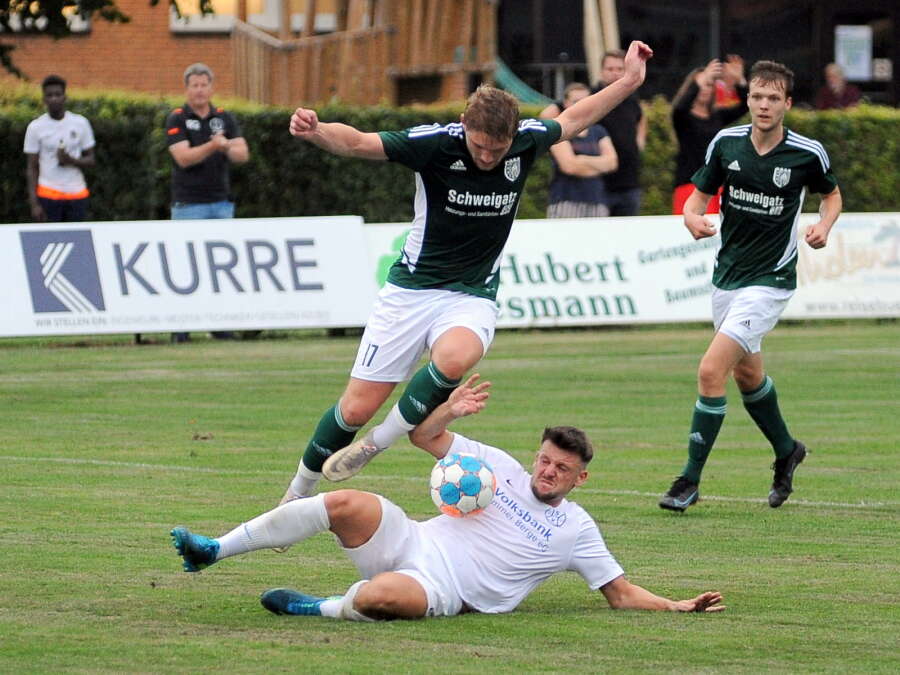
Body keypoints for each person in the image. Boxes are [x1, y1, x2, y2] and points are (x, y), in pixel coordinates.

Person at [277, 40, 654, 506]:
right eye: (480, 147)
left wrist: (629, 80)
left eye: (498, 149)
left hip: (471, 293)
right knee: (354, 408)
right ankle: (297, 492)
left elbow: (577, 117)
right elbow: (357, 142)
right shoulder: (434, 144)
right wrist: (315, 131)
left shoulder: (527, 139)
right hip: (410, 290)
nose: (489, 157)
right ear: (464, 127)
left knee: (455, 359)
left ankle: (376, 444)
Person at [171, 375, 726, 621]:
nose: (549, 471)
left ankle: (313, 607)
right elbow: (423, 437)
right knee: (346, 503)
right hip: (414, 537)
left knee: (379, 598)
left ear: (579, 480)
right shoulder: (500, 468)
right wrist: (450, 412)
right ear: (537, 456)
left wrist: (678, 605)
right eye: (546, 460)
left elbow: (621, 594)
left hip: (444, 588)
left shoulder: (577, 532)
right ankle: (212, 549)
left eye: (563, 469)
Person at [659, 60, 842, 513]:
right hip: (728, 277)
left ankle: (689, 481)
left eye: (773, 98)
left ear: (787, 104)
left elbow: (831, 194)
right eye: (757, 96)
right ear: (748, 99)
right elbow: (701, 192)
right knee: (747, 374)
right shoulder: (726, 144)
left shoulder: (806, 153)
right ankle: (787, 451)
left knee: (709, 371)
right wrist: (691, 216)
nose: (764, 105)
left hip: (771, 281)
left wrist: (824, 224)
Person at [165, 63, 249, 343]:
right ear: (187, 89)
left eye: (204, 85)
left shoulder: (224, 118)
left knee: (220, 268)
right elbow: (183, 158)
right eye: (194, 85)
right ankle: (182, 327)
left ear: (212, 88)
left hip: (221, 203)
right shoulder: (176, 118)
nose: (199, 90)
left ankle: (220, 325)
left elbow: (242, 154)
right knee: (186, 266)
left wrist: (224, 145)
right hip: (189, 204)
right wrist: (215, 146)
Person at [541, 50, 646, 216]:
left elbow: (641, 119)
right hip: (599, 186)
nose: (615, 73)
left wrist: (639, 142)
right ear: (601, 71)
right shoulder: (592, 95)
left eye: (620, 69)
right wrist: (551, 141)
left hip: (628, 183)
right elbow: (549, 114)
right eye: (610, 69)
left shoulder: (631, 99)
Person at [671, 56, 748, 215]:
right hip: (689, 184)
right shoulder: (683, 117)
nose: (705, 89)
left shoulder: (717, 116)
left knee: (715, 232)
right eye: (702, 85)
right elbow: (679, 108)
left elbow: (745, 106)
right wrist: (703, 77)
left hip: (715, 186)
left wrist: (740, 80)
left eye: (709, 85)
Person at [23, 75, 96, 223]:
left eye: (58, 94)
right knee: (50, 240)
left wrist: (71, 160)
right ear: (44, 99)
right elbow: (32, 167)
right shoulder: (35, 127)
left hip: (76, 193)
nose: (54, 99)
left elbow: (91, 160)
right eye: (49, 95)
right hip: (49, 194)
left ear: (65, 97)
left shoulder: (80, 123)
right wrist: (34, 203)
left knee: (76, 240)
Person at [546, 82, 618, 218]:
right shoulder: (558, 131)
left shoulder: (599, 131)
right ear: (566, 103)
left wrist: (581, 160)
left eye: (585, 101)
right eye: (576, 101)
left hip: (597, 201)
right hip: (565, 202)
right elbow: (569, 166)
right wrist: (599, 165)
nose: (581, 105)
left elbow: (612, 162)